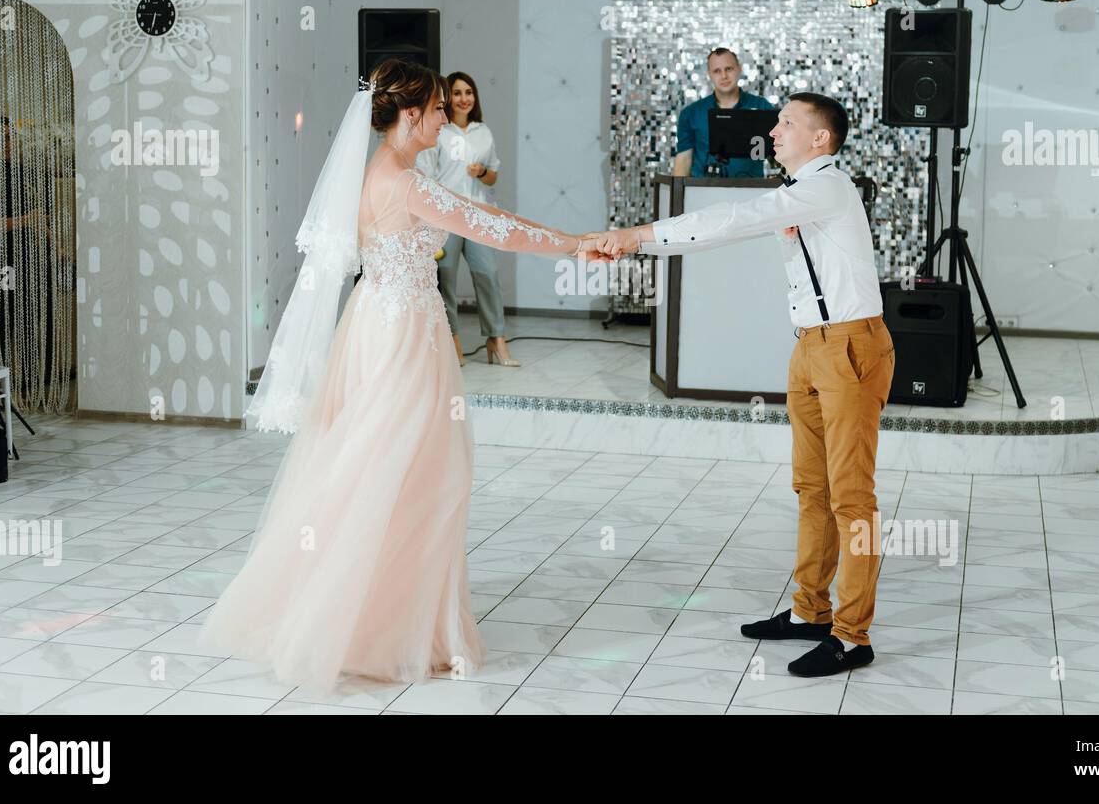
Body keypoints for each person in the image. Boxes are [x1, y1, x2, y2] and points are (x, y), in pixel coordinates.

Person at [199, 59, 598, 693]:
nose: (447, 117)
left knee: (384, 467)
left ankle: (381, 615)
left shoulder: (380, 172)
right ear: (410, 116)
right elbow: (496, 226)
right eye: (439, 108)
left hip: (379, 323)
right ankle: (378, 628)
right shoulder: (406, 184)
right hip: (404, 335)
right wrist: (578, 243)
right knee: (413, 472)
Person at [594, 92, 894, 678]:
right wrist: (643, 244)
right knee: (812, 487)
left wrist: (634, 235)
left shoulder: (826, 185)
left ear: (820, 139)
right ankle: (810, 610)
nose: (774, 130)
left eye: (787, 123)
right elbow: (723, 229)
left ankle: (853, 638)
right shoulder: (801, 191)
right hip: (811, 345)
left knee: (851, 497)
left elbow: (731, 220)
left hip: (850, 346)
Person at [417, 72, 519, 367]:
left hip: (478, 215)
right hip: (446, 217)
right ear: (447, 99)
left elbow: (493, 175)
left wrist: (481, 173)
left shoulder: (483, 132)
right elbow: (425, 175)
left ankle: (496, 339)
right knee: (445, 279)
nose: (464, 99)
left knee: (487, 275)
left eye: (469, 92)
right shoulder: (438, 131)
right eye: (457, 93)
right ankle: (453, 342)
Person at [671, 47, 775, 178]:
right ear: (709, 74)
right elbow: (684, 159)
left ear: (739, 68)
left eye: (729, 69)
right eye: (717, 71)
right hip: (702, 193)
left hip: (752, 193)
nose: (724, 76)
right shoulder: (691, 113)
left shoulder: (762, 107)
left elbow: (780, 152)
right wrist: (676, 196)